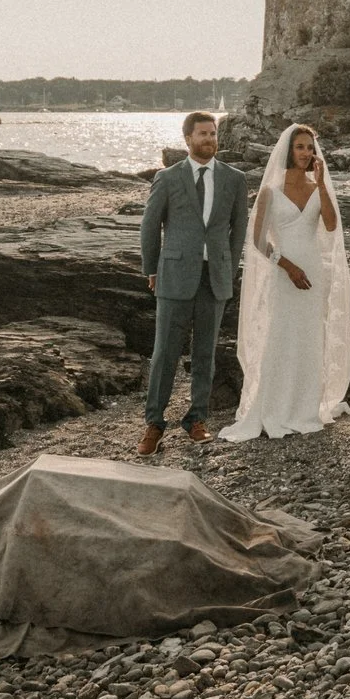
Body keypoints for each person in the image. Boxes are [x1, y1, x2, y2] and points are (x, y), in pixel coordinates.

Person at [223, 124, 350, 440]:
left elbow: (332, 225)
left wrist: (321, 184)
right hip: (283, 273)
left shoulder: (315, 186)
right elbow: (257, 241)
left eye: (310, 147)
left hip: (312, 273)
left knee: (310, 336)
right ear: (288, 151)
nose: (307, 153)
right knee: (280, 335)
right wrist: (286, 265)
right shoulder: (270, 190)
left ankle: (305, 407)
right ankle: (274, 407)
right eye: (300, 147)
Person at [137, 111, 251, 454]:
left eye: (213, 134)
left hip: (213, 278)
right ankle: (154, 424)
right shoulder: (168, 177)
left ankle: (197, 419)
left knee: (205, 353)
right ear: (188, 139)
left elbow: (239, 229)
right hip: (174, 275)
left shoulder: (234, 179)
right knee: (164, 354)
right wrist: (151, 270)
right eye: (203, 134)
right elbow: (150, 225)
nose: (209, 140)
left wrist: (227, 271)